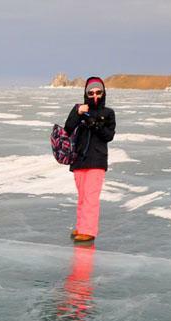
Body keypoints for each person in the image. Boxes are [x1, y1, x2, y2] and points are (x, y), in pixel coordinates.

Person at [64, 76, 116, 243]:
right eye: (91, 92)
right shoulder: (78, 109)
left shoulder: (108, 113)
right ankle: (81, 226)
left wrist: (94, 124)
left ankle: (88, 230)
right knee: (82, 196)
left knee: (91, 197)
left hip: (97, 160)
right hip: (79, 160)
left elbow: (108, 136)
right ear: (86, 94)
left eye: (98, 92)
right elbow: (67, 129)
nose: (95, 95)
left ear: (103, 93)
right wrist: (77, 113)